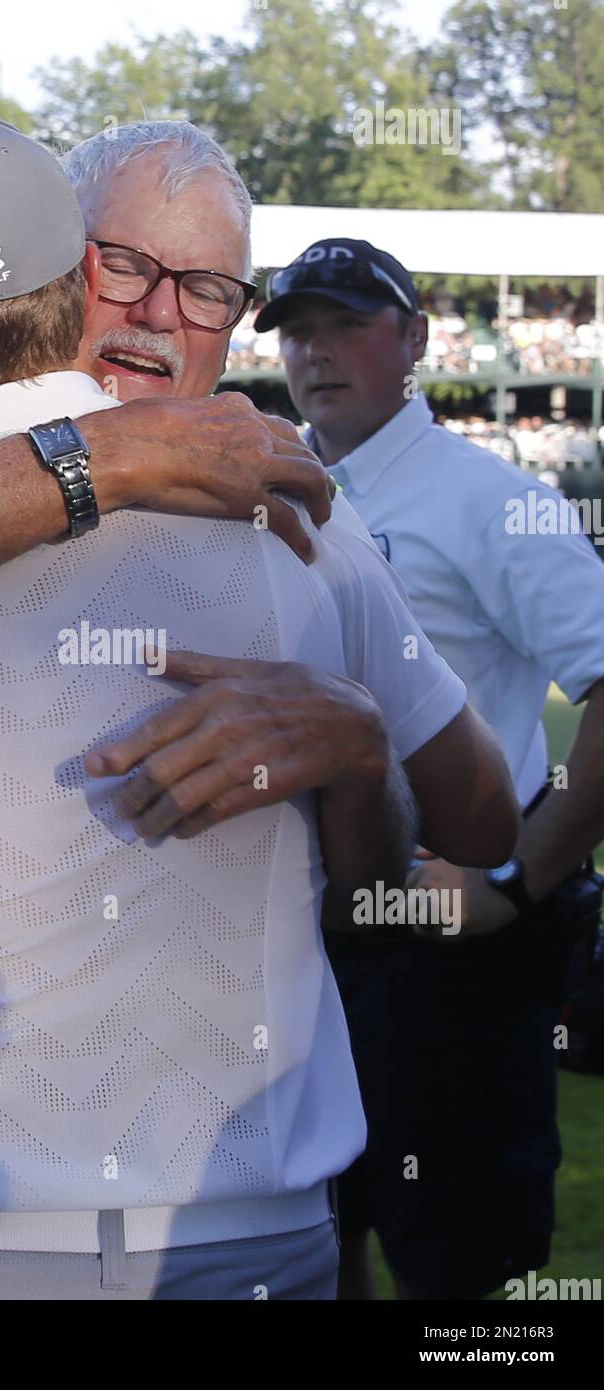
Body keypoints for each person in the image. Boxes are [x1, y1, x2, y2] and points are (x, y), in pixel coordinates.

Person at [0, 115, 508, 1302]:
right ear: (53, 273)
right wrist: (99, 458)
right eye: (127, 266)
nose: (163, 314)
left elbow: (483, 824)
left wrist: (357, 742)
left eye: (210, 287)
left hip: (224, 1227)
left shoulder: (294, 508)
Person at [259, 236, 604, 1300]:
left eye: (345, 324)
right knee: (326, 1237)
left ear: (414, 339)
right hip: (308, 931)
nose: (315, 352)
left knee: (459, 1271)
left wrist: (513, 885)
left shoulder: (494, 501)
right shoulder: (277, 488)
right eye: (297, 330)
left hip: (449, 944)